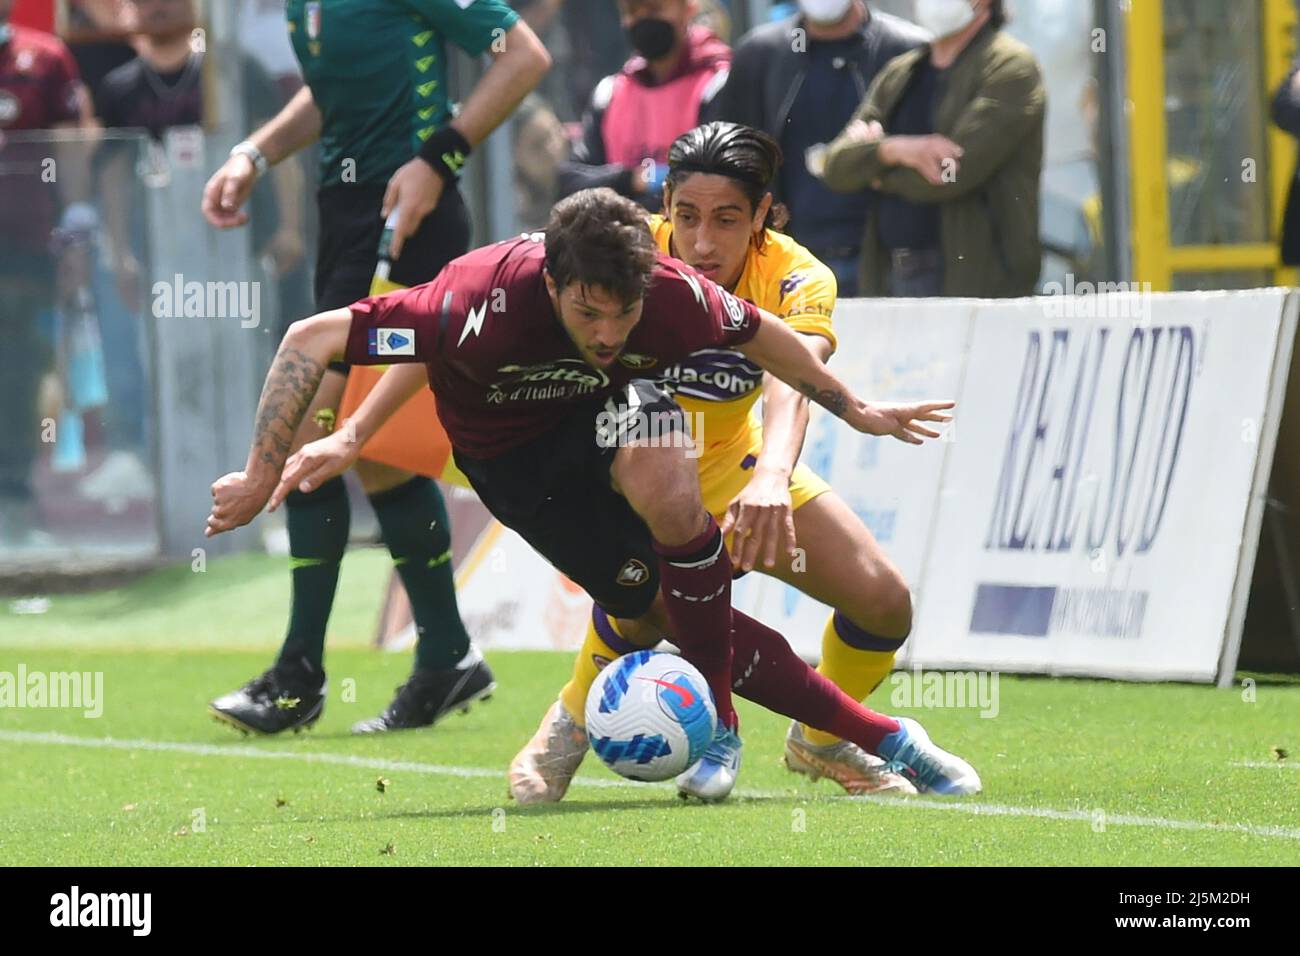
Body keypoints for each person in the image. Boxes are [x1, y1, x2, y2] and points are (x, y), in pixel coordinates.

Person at [204, 186, 982, 801]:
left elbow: (769, 338)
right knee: (652, 609)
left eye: (626, 312)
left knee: (670, 479)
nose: (609, 332)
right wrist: (269, 467)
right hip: (514, 461)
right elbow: (314, 337)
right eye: (587, 312)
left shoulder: (675, 292)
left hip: (609, 415)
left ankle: (784, 732)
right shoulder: (477, 303)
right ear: (551, 280)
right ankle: (856, 729)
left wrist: (858, 408)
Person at [509, 122, 939, 803]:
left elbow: (792, 376)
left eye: (727, 220)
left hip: (742, 471)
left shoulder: (797, 276)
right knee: (642, 605)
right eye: (686, 216)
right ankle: (569, 719)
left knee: (884, 603)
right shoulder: (626, 255)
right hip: (635, 481)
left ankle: (821, 739)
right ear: (665, 206)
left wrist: (771, 476)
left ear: (764, 215)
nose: (702, 243)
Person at [199, 0, 550, 736]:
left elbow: (523, 56)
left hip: (408, 220)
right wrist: (254, 153)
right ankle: (447, 655)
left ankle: (297, 676)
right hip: (347, 217)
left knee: (313, 432)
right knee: (381, 455)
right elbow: (332, 91)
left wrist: (436, 159)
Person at [820, 0, 1044, 297]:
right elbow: (835, 166)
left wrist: (875, 173)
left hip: (973, 282)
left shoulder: (1012, 66)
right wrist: (895, 150)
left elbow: (951, 174)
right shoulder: (902, 71)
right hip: (888, 274)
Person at [709, 0, 927, 295]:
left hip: (889, 262)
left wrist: (881, 152)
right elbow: (728, 163)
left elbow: (936, 162)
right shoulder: (762, 53)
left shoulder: (905, 49)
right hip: (787, 260)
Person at [0, 0, 94, 545]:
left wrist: (77, 225)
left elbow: (71, 150)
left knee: (20, 370)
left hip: (24, 248)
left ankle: (13, 495)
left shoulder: (45, 59)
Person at [557, 0, 730, 211]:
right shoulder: (610, 92)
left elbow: (710, 183)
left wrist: (629, 185)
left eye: (655, 9)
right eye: (632, 11)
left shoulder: (718, 85)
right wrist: (631, 179)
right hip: (619, 239)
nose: (643, 19)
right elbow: (571, 182)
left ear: (688, 10)